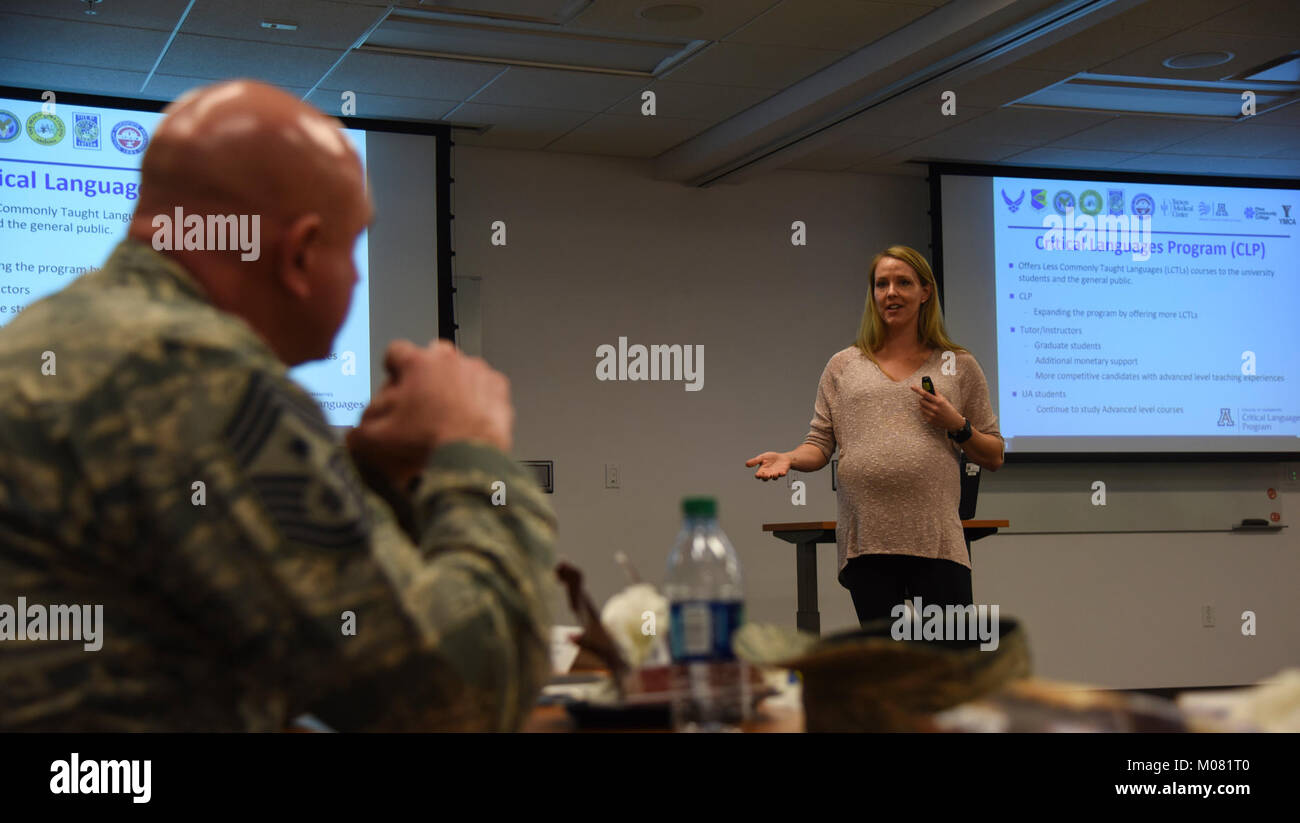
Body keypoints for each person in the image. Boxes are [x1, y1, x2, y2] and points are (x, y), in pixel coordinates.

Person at [0, 80, 556, 731]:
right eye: (353, 249)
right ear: (299, 254)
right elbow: (458, 698)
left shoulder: (61, 335)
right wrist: (472, 450)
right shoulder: (193, 371)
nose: (355, 275)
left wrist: (365, 476)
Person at [746, 245, 1003, 627]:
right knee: (885, 667)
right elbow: (819, 445)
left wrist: (958, 425)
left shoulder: (957, 364)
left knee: (951, 663)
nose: (891, 293)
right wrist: (789, 458)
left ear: (925, 292)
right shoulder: (844, 364)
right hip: (868, 539)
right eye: (881, 284)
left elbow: (994, 454)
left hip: (936, 539)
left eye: (903, 283)